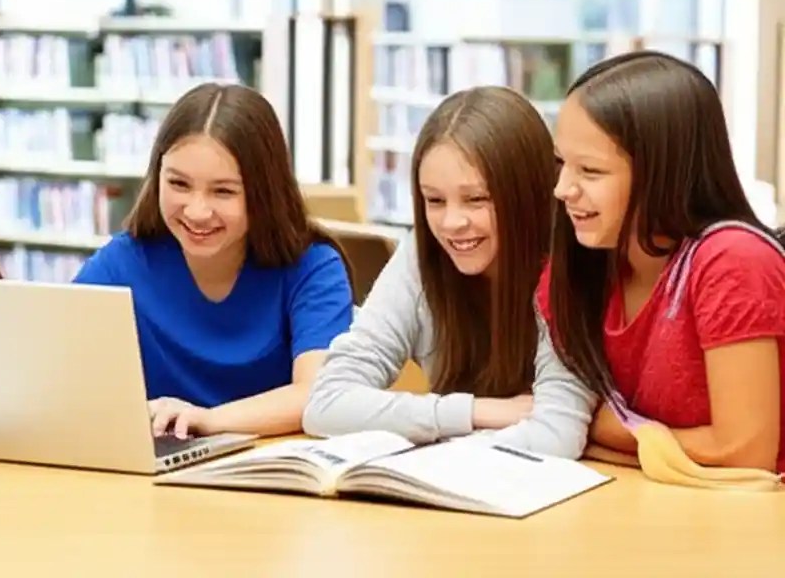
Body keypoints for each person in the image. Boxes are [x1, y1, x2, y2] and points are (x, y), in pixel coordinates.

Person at [303, 87, 594, 458]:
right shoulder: (420, 257)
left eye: (476, 199)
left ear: (528, 195)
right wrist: (475, 410)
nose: (452, 223)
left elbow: (556, 437)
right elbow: (325, 404)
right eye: (434, 200)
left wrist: (431, 432)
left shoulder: (569, 266)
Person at [543, 50, 785, 472]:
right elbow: (546, 412)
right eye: (562, 163)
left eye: (591, 171)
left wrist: (594, 428)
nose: (562, 189)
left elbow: (745, 452)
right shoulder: (582, 265)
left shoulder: (732, 260)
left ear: (663, 172)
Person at [74, 83, 355, 439]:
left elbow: (317, 396)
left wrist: (207, 420)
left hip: (270, 480)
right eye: (178, 184)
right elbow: (59, 377)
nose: (197, 211)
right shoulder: (121, 263)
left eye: (223, 191)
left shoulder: (313, 269)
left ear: (264, 192)